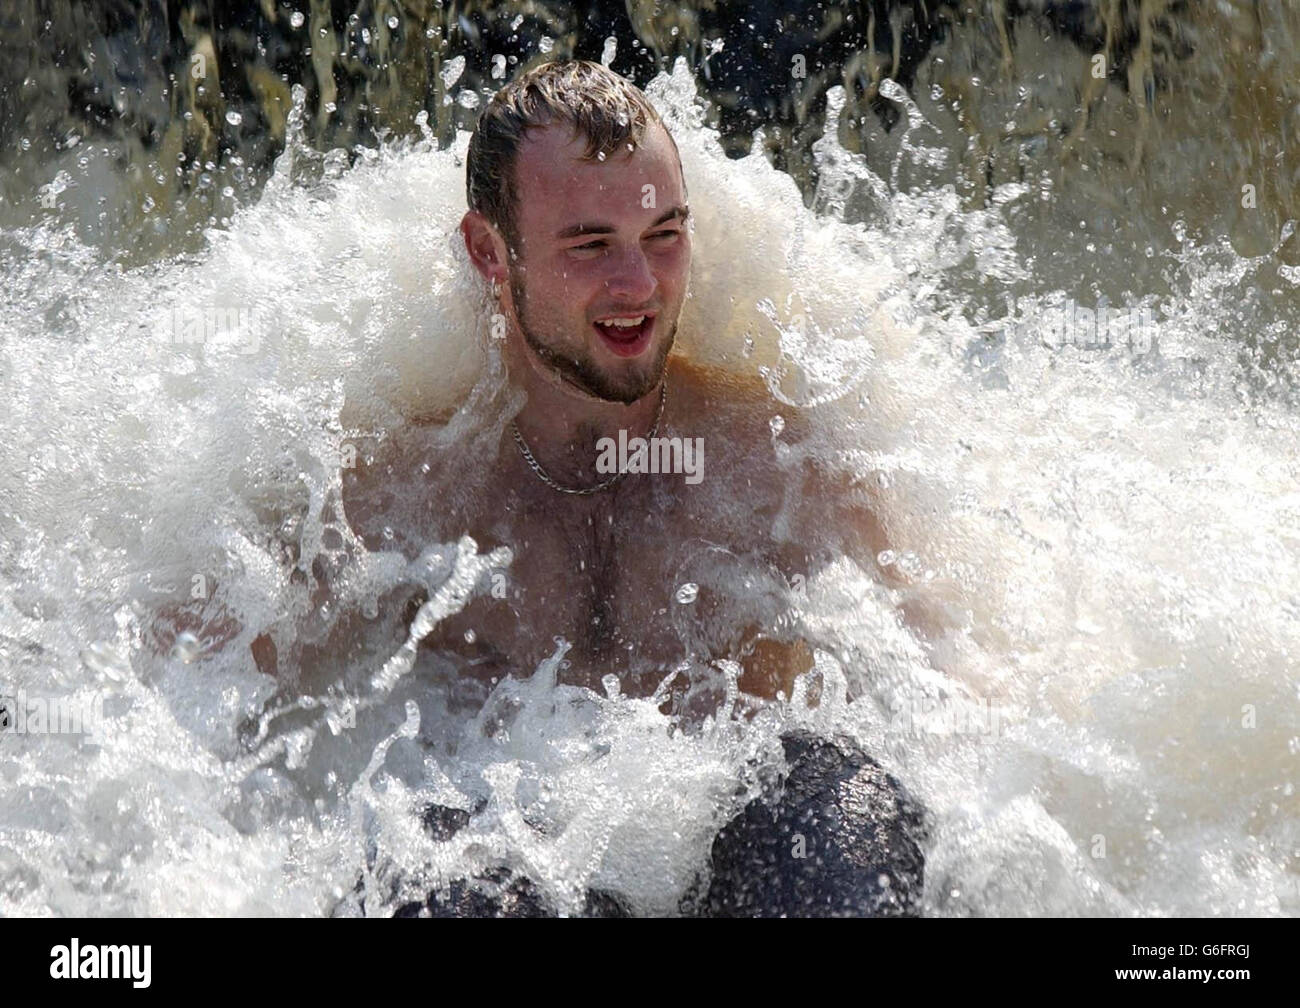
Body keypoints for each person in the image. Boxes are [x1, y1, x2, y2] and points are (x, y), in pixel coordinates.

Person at [336, 59, 925, 711]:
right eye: (591, 246)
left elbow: (951, 710)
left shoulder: (779, 475)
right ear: (488, 251)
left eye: (663, 234)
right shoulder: (410, 505)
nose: (641, 285)